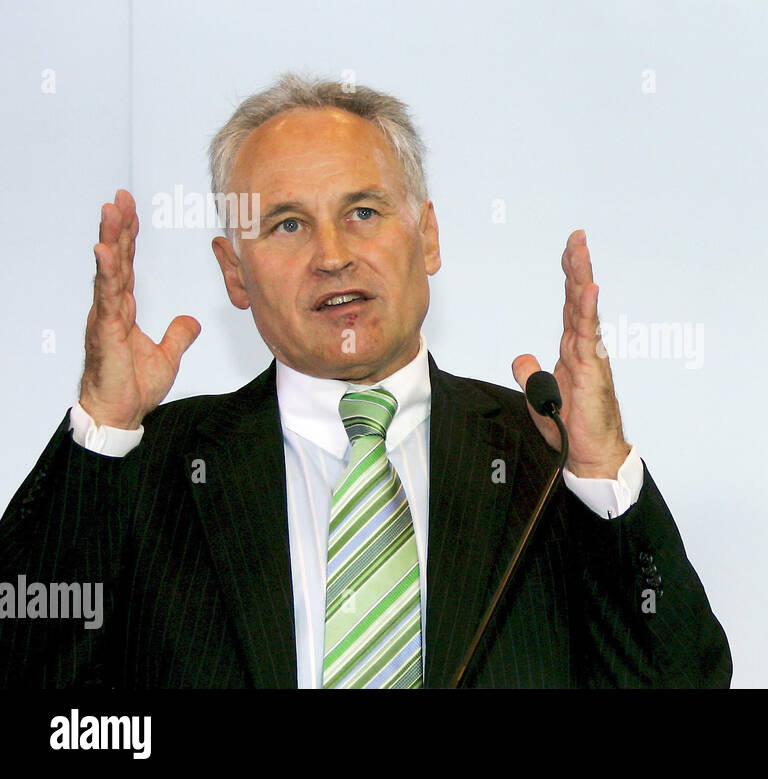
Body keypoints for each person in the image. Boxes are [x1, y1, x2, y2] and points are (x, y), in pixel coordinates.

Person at [0, 74, 731, 689]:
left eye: (363, 211)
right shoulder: (148, 465)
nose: (333, 255)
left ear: (428, 235)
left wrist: (601, 471)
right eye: (287, 224)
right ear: (233, 272)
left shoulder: (545, 459)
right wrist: (101, 429)